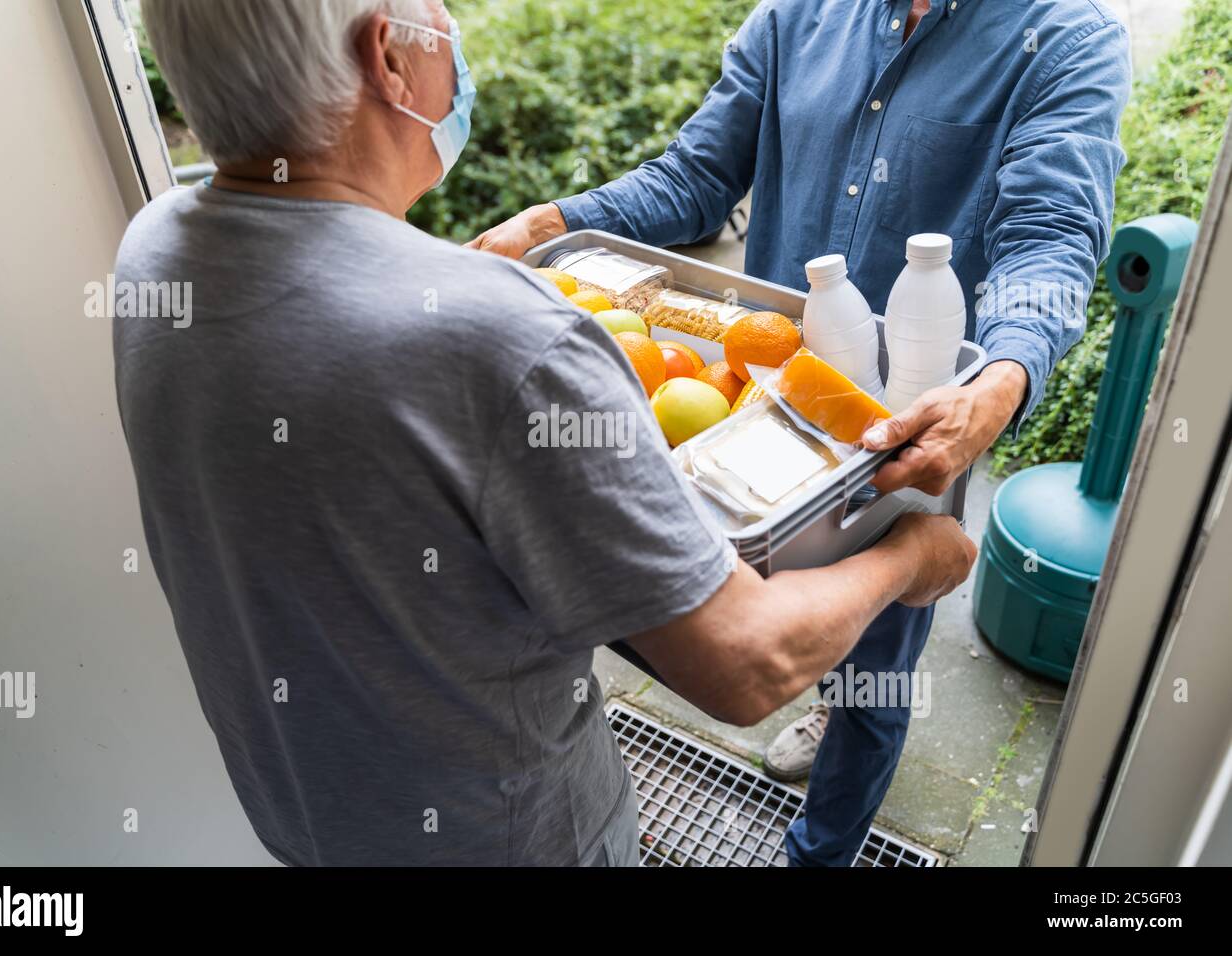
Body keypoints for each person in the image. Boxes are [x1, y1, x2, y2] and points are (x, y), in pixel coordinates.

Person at [117, 0, 974, 866]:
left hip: (307, 816)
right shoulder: (501, 337)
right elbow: (744, 664)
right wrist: (912, 557)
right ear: (389, 56)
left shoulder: (151, 255)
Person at [472, 0, 1130, 866]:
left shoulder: (1068, 37)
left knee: (879, 655)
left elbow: (1049, 240)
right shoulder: (796, 19)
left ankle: (821, 850)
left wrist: (1000, 382)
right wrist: (547, 226)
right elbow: (696, 177)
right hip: (770, 395)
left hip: (906, 423)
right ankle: (822, 685)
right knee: (767, 586)